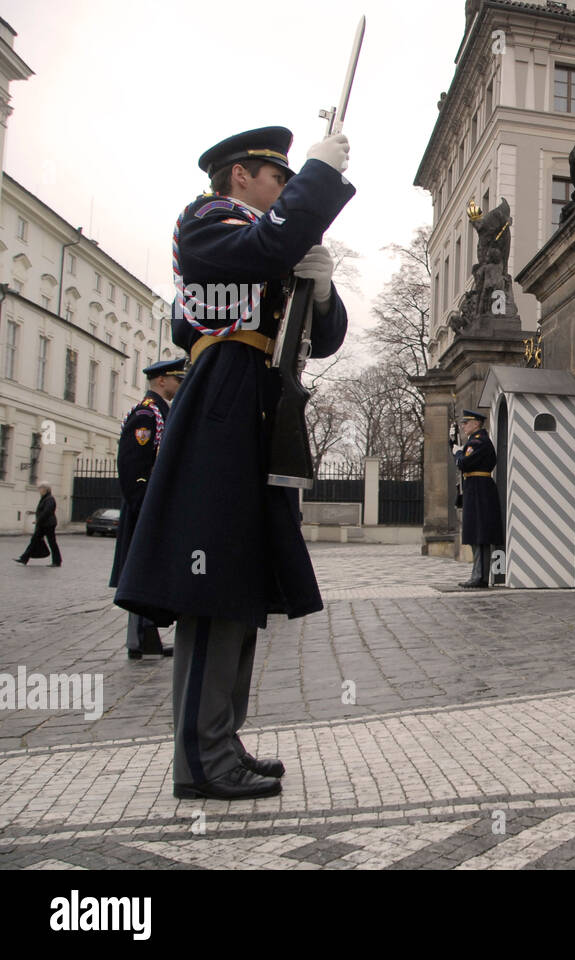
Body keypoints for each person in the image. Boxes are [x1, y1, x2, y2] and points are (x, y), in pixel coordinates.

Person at [114, 125, 355, 800]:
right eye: (277, 179)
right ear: (241, 176)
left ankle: (223, 740)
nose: (284, 191)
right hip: (222, 394)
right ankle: (199, 757)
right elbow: (270, 240)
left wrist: (325, 289)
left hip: (257, 400)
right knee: (209, 585)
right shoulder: (208, 222)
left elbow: (327, 337)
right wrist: (318, 173)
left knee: (239, 585)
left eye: (289, 180)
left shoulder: (262, 238)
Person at [111, 357, 185, 660]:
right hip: (144, 504)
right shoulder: (147, 413)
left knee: (149, 568)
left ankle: (147, 638)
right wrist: (143, 504)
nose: (179, 385)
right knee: (141, 567)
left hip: (153, 503)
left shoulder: (162, 412)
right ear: (162, 381)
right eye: (176, 379)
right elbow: (133, 464)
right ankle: (140, 639)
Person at [453, 410, 504, 588]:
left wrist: (458, 453)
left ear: (476, 423)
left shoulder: (478, 442)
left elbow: (464, 463)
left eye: (466, 423)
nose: (463, 426)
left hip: (479, 490)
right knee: (476, 533)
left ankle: (480, 576)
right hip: (475, 488)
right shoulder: (474, 441)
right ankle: (478, 575)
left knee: (480, 533)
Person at [14, 483, 60, 567]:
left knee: (52, 542)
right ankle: (24, 559)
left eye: (40, 489)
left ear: (45, 489)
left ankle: (57, 561)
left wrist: (38, 520)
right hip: (43, 524)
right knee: (34, 541)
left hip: (48, 524)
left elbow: (47, 511)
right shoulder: (45, 498)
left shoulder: (50, 499)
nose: (39, 491)